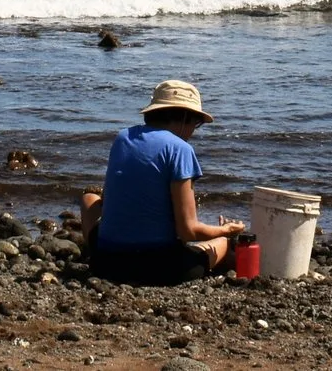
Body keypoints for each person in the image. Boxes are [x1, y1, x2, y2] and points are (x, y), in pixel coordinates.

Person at [78, 79, 245, 286]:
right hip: (157, 269)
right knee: (220, 244)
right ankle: (226, 256)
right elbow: (188, 231)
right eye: (196, 123)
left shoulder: (123, 137)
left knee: (90, 198)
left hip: (104, 262)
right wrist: (226, 230)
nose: (194, 130)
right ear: (185, 117)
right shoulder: (180, 149)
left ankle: (91, 249)